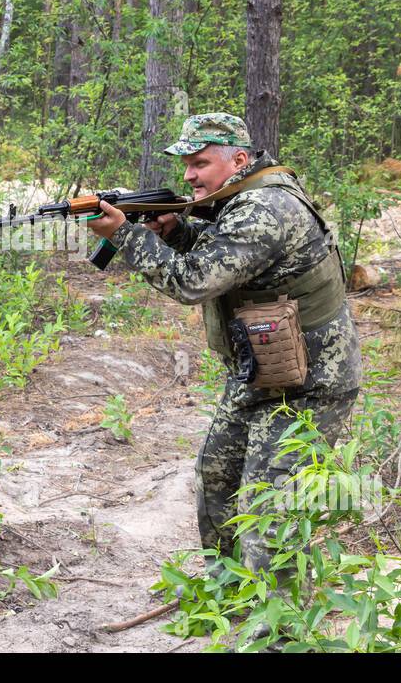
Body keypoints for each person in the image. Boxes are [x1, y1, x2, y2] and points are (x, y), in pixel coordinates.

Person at [84, 112, 362, 583]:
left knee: (272, 508)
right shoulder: (242, 199)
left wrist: (123, 236)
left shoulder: (265, 207)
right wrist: (176, 232)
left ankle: (279, 629)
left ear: (238, 160)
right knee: (218, 478)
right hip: (264, 369)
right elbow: (231, 255)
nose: (189, 175)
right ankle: (229, 592)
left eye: (199, 164)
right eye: (186, 165)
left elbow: (195, 282)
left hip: (312, 382)